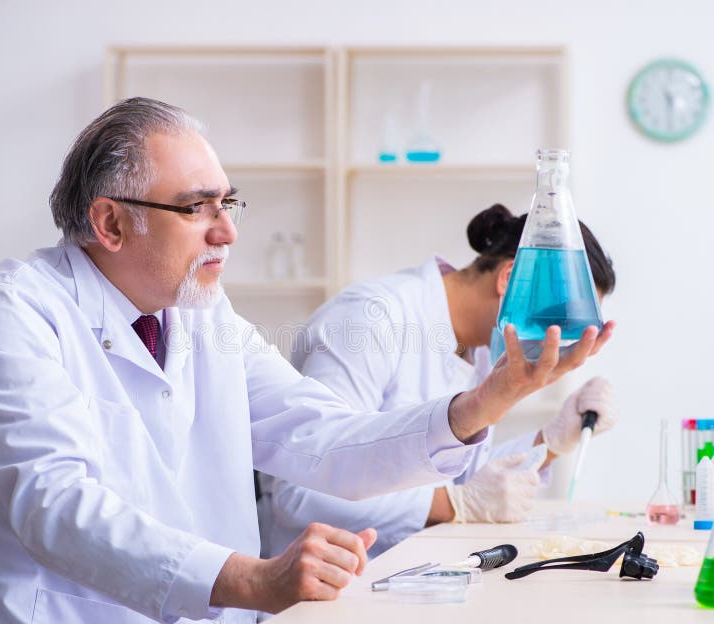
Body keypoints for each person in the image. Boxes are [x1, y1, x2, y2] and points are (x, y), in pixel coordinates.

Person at [0, 99, 613, 624]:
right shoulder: (5, 319)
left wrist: (480, 404)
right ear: (110, 222)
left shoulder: (199, 313)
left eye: (229, 202)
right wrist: (252, 578)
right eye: (197, 208)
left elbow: (318, 436)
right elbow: (59, 509)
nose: (228, 231)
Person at [261, 204, 618, 560]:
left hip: (413, 578)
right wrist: (454, 505)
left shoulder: (477, 347)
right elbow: (302, 492)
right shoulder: (369, 319)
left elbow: (466, 482)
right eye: (557, 323)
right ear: (509, 279)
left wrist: (552, 440)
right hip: (321, 592)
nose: (555, 343)